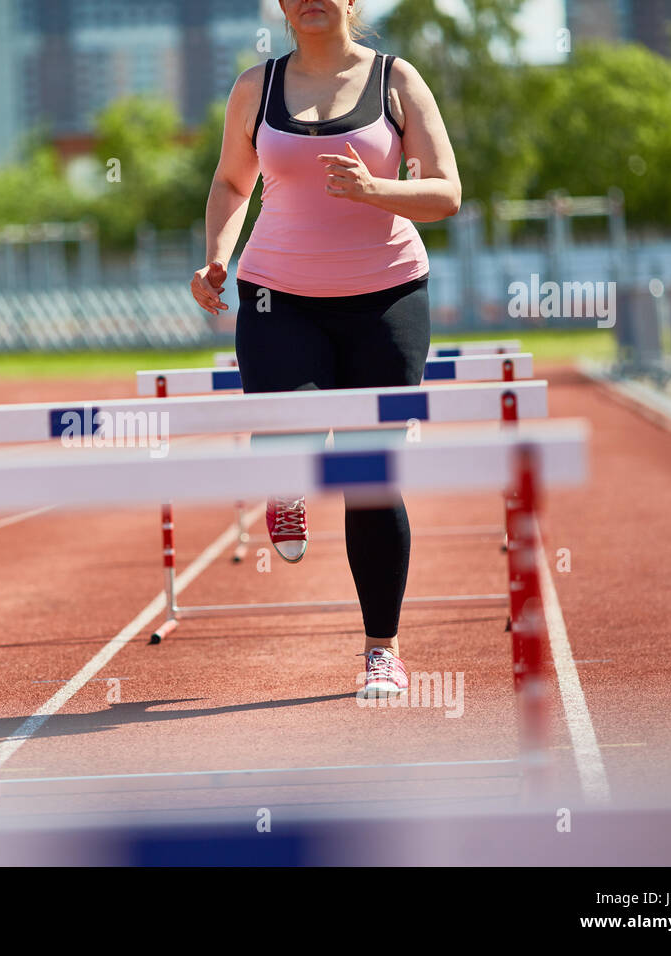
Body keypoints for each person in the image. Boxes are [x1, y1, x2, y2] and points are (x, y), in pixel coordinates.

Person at [189, 0, 461, 697]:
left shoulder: (397, 81)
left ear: (351, 2)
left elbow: (447, 193)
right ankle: (285, 479)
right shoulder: (257, 86)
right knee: (288, 430)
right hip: (279, 293)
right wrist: (217, 256)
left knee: (370, 475)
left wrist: (378, 191)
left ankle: (382, 651)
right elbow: (229, 181)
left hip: (387, 294)